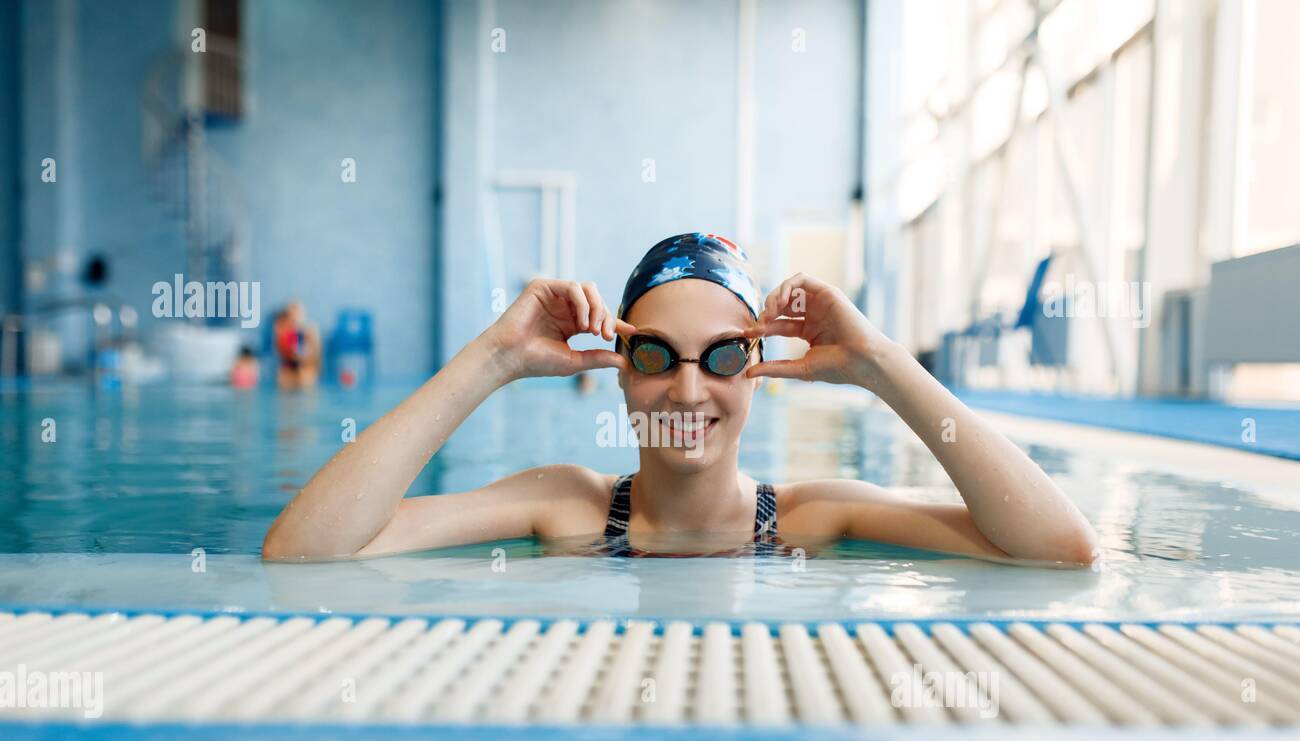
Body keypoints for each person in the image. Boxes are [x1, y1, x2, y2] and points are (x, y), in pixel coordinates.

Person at [262, 232, 1098, 564]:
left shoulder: (811, 516)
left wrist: (881, 364)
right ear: (621, 370)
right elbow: (306, 553)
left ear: (758, 371)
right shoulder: (568, 506)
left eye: (724, 357)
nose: (689, 388)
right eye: (657, 355)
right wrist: (492, 360)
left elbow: (1061, 550)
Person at [273, 301, 320, 390]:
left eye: (297, 315)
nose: (295, 318)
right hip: (289, 365)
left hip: (305, 365)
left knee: (306, 378)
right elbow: (282, 352)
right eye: (292, 315)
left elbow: (315, 355)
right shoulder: (283, 332)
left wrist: (306, 354)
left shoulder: (309, 331)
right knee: (284, 378)